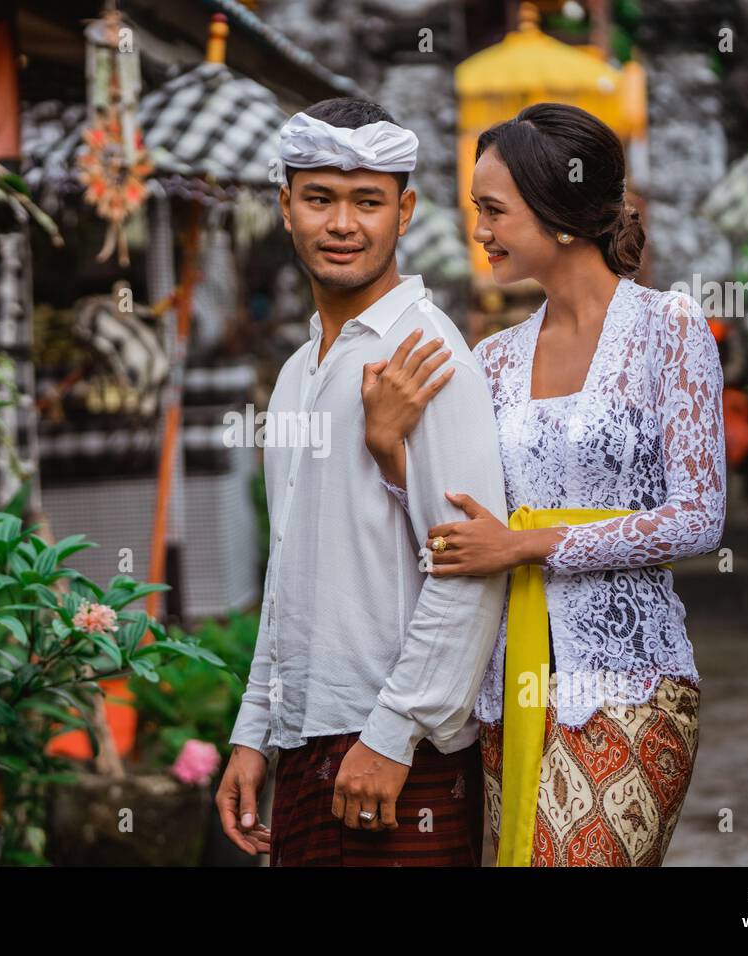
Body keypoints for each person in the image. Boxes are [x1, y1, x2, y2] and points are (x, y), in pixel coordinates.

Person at [364, 103, 725, 866]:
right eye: (476, 211)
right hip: (509, 688)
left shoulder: (671, 328)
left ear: (560, 213)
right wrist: (391, 452)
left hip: (630, 684)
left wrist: (528, 544)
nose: (480, 231)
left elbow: (698, 517)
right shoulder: (489, 361)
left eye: (493, 210)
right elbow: (456, 530)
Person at [214, 97, 509, 866]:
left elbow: (468, 570)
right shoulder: (293, 375)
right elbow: (286, 571)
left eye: (367, 201)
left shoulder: (429, 355)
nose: (342, 223)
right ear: (286, 207)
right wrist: (254, 731)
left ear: (403, 211)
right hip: (309, 737)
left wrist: (392, 734)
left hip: (399, 755)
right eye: (319, 198)